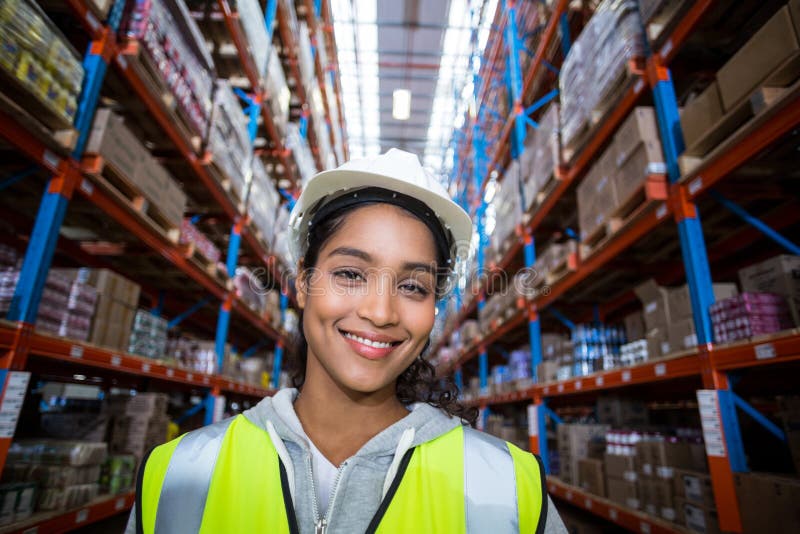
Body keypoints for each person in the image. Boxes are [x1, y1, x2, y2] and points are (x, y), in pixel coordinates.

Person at [126, 149, 567, 533]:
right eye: (351, 274)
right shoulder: (179, 475)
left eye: (413, 286)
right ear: (301, 282)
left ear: (435, 307)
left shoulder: (509, 488)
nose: (380, 312)